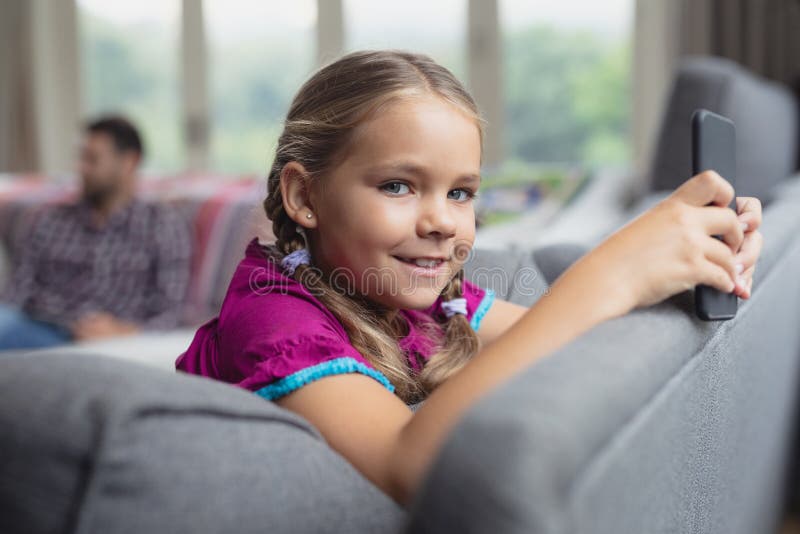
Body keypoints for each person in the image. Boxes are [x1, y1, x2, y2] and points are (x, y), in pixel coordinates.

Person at [175, 51, 763, 506]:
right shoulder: (274, 317)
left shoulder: (419, 297)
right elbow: (406, 466)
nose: (440, 222)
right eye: (398, 186)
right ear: (305, 195)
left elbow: (564, 346)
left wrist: (682, 270)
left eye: (460, 193)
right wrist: (612, 274)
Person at [1, 115, 192, 350]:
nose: (81, 168)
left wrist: (124, 331)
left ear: (129, 162)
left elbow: (171, 312)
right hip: (40, 331)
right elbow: (15, 296)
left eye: (92, 159)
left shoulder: (163, 225)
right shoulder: (48, 219)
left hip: (116, 343)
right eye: (81, 158)